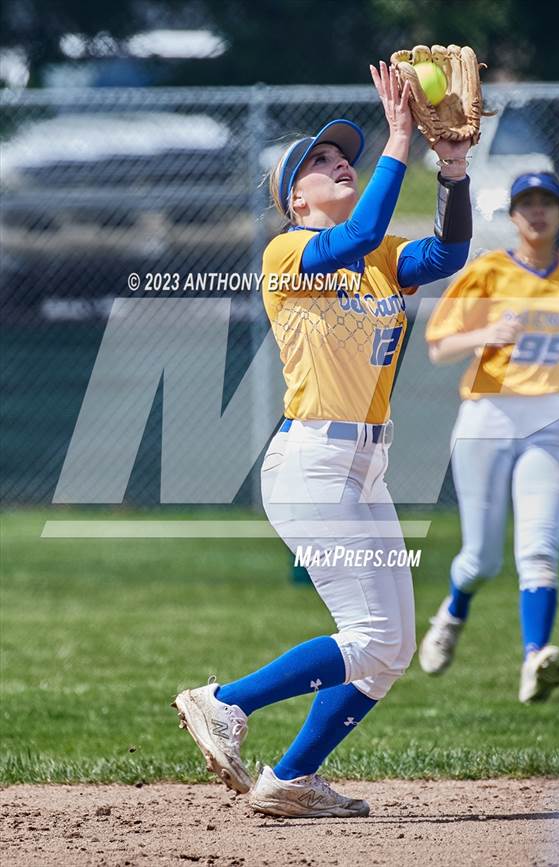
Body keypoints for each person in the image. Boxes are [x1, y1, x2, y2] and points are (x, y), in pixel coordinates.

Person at [173, 61, 473, 818]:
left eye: (346, 155)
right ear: (293, 198)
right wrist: (401, 138)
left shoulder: (378, 258)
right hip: (311, 460)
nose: (341, 161)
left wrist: (455, 169)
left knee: (388, 650)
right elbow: (366, 225)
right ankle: (223, 701)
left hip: (364, 467)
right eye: (321, 161)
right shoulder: (286, 256)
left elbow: (445, 254)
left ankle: (290, 777)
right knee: (370, 634)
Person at [419, 171, 559, 703]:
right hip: (487, 417)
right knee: (481, 560)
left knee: (540, 550)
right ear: (513, 214)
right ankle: (452, 612)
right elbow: (438, 345)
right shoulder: (490, 270)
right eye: (527, 203)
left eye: (547, 202)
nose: (537, 211)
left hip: (549, 418)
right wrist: (485, 334)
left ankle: (534, 658)